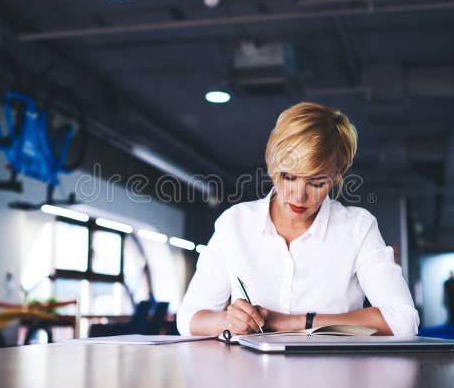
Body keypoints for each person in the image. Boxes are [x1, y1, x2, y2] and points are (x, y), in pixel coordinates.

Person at [176, 102, 419, 337]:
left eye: (316, 182)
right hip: (251, 374)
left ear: (338, 174)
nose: (298, 195)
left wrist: (292, 322)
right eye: (288, 177)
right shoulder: (234, 224)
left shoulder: (357, 228)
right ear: (273, 165)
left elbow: (403, 321)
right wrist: (230, 321)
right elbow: (188, 318)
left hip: (334, 374)